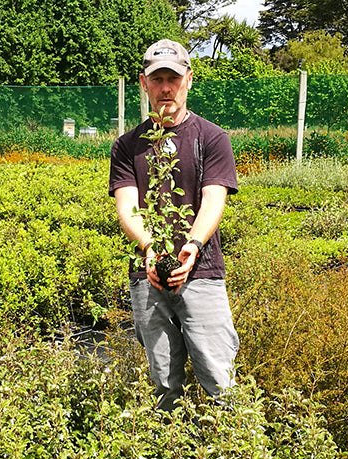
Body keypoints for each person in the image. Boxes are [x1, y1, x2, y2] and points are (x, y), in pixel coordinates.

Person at [109, 38, 240, 411]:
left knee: (219, 377)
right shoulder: (127, 146)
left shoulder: (212, 138)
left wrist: (193, 246)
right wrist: (150, 249)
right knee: (164, 380)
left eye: (173, 78)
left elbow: (214, 199)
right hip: (146, 275)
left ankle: (229, 450)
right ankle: (170, 451)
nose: (166, 87)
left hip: (201, 271)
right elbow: (128, 206)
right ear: (144, 83)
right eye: (157, 79)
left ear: (189, 80)